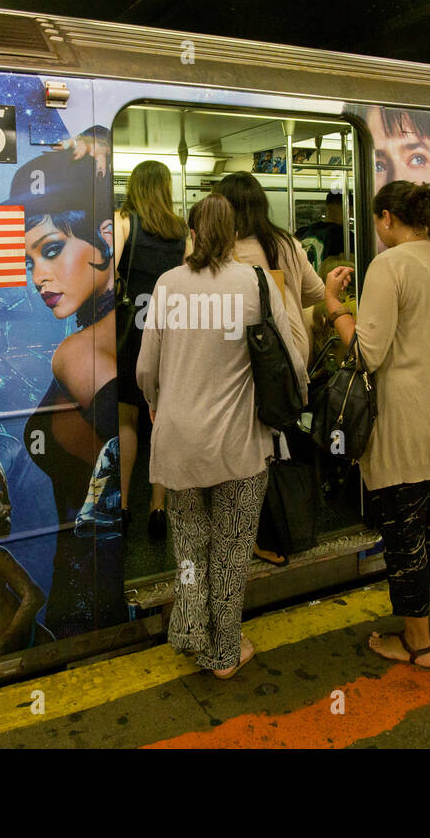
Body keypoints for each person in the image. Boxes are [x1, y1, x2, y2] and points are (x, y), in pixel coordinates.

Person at [136, 193, 306, 678]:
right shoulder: (253, 282)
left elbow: (146, 367)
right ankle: (224, 653)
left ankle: (192, 629)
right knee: (231, 551)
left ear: (191, 232)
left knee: (190, 546)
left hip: (179, 440)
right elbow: (288, 355)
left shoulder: (168, 285)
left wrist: (156, 401)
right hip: (238, 441)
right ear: (233, 235)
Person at [324, 181, 430, 669]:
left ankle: (417, 643)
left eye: (376, 222)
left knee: (402, 532)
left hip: (409, 422)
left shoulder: (390, 265)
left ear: (388, 218)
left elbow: (366, 353)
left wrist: (336, 309)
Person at [12, 147, 123, 638]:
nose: (39, 276)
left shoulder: (78, 353)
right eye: (30, 259)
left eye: (52, 249)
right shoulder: (127, 322)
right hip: (101, 577)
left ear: (106, 239)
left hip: (86, 590)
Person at [217, 171, 325, 565]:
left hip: (253, 362)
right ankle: (285, 522)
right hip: (294, 355)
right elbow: (314, 294)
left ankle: (262, 532)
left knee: (251, 450)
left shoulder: (227, 251)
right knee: (278, 441)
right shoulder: (287, 244)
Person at [113, 160, 189, 538]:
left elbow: (107, 271)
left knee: (126, 419)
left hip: (132, 332)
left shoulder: (125, 221)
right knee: (161, 420)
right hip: (170, 333)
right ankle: (159, 508)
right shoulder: (181, 231)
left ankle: (123, 505)